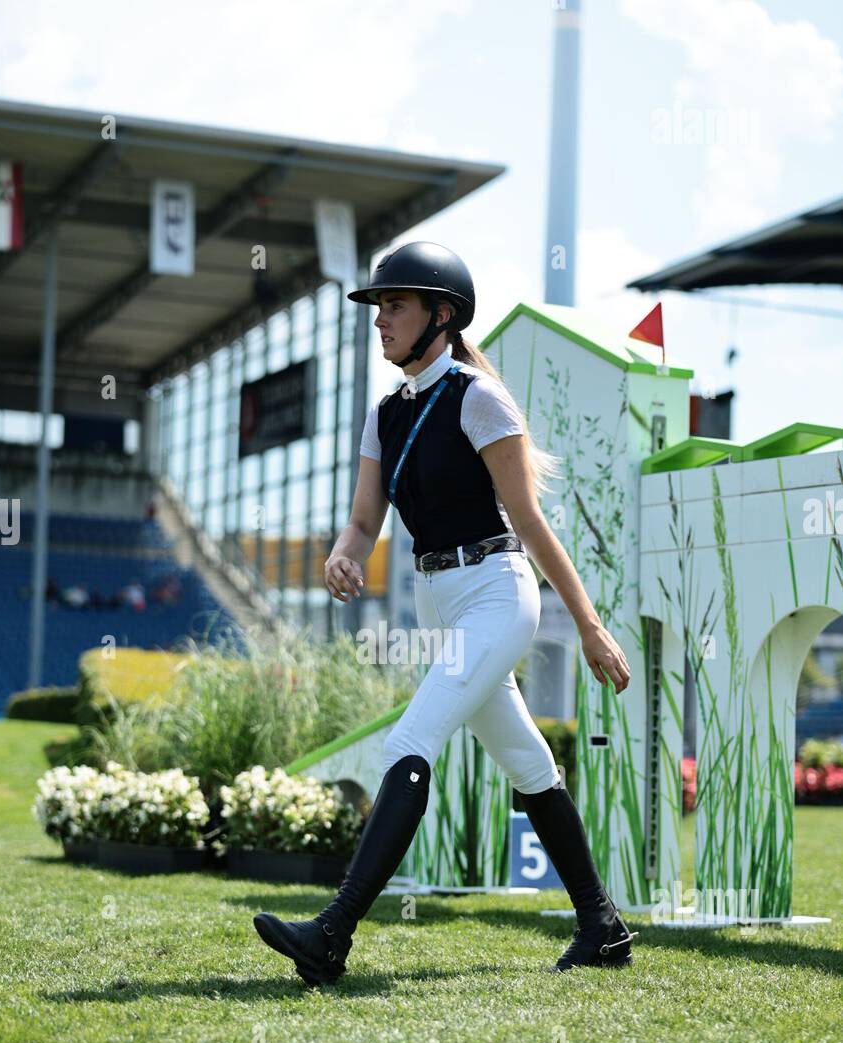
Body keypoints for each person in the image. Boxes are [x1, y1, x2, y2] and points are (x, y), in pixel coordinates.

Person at [253, 241, 637, 986]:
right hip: (443, 604)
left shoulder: (479, 398)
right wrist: (345, 552)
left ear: (442, 314)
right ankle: (603, 925)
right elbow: (364, 521)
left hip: (496, 592)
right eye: (379, 308)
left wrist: (589, 625)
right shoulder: (383, 416)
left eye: (395, 306)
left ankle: (333, 932)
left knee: (412, 739)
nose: (381, 321)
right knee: (529, 764)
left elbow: (528, 520)